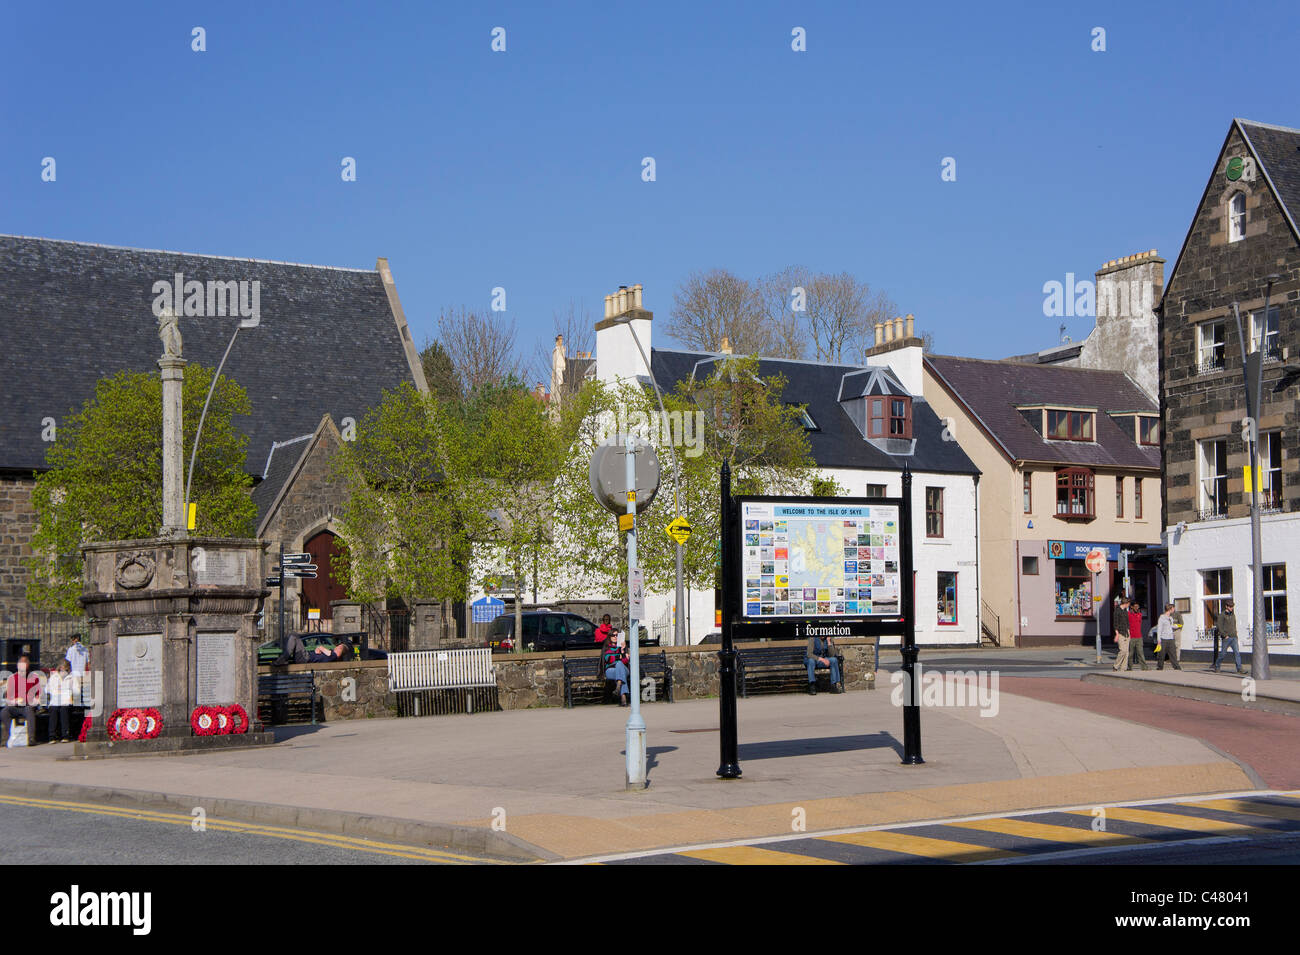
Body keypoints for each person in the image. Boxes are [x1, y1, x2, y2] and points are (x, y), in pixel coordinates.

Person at [1, 656, 42, 747]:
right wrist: (13, 701)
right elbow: (8, 697)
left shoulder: (34, 677)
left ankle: (31, 738)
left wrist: (32, 701)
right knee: (4, 712)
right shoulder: (12, 678)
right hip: (15, 705)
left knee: (29, 711)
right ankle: (11, 735)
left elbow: (38, 695)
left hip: (28, 705)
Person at [46, 660, 75, 742]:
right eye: (61, 669)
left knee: (64, 709)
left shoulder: (71, 678)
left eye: (65, 670)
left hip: (66, 700)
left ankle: (65, 734)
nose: (63, 671)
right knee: (53, 710)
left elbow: (76, 690)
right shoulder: (54, 677)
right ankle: (52, 735)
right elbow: (47, 689)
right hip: (55, 700)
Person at [1212, 600, 1243, 673]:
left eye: (1232, 606)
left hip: (1234, 637)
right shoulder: (1222, 615)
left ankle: (1239, 668)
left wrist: (1235, 634)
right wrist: (1224, 635)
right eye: (1230, 606)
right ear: (1226, 606)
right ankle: (1217, 666)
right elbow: (1219, 626)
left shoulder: (1233, 615)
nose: (1231, 608)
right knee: (1223, 653)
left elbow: (1234, 625)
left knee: (1237, 653)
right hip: (1226, 638)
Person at [601, 635, 630, 705]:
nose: (615, 637)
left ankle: (618, 686)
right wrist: (618, 657)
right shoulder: (607, 648)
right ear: (610, 637)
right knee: (621, 673)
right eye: (613, 635)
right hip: (610, 670)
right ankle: (623, 697)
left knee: (619, 664)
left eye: (617, 635)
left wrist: (623, 652)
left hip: (623, 669)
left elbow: (625, 661)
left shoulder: (622, 647)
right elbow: (607, 659)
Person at [65, 633, 90, 707]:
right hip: (82, 673)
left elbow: (67, 662)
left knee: (75, 692)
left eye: (72, 639)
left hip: (74, 673)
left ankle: (75, 706)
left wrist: (68, 671)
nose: (72, 641)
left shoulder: (71, 649)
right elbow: (88, 662)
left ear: (76, 639)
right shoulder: (85, 649)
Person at [1156, 603, 1182, 671]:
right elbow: (1159, 629)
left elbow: (1171, 626)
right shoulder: (1162, 618)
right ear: (1170, 609)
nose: (1174, 610)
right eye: (1173, 608)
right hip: (1163, 638)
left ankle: (1176, 666)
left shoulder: (1170, 618)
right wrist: (1159, 640)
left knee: (1173, 653)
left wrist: (1176, 626)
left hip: (1171, 638)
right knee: (1162, 654)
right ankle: (1160, 666)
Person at [1127, 601, 1148, 671]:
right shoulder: (1128, 614)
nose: (1137, 608)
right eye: (1135, 606)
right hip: (1131, 637)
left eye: (1138, 607)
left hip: (1139, 636)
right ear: (1132, 607)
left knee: (1140, 653)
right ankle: (1129, 667)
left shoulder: (1140, 614)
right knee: (1130, 654)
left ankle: (1144, 667)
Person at [1111, 596, 1131, 671]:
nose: (1129, 605)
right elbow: (1115, 623)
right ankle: (1116, 666)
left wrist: (1129, 632)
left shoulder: (1125, 610)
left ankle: (1123, 668)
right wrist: (1116, 634)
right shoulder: (1117, 611)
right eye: (1128, 603)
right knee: (1122, 650)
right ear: (1126, 603)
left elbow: (1127, 622)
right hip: (1120, 632)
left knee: (1126, 652)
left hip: (1126, 632)